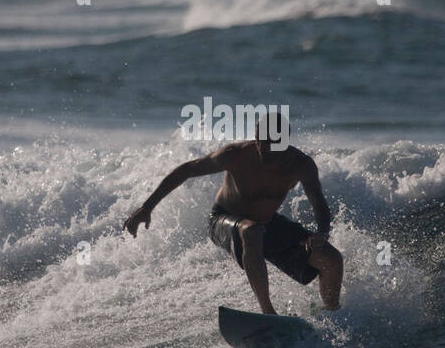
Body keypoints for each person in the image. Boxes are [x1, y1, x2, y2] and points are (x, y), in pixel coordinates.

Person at [123, 120, 343, 315]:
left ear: (285, 142)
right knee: (251, 231)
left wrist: (322, 234)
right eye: (261, 143)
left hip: (267, 223)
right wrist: (146, 208)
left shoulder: (300, 165)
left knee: (331, 258)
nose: (264, 149)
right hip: (224, 219)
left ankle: (331, 314)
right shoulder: (235, 155)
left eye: (272, 144)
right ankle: (269, 314)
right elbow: (187, 170)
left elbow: (319, 204)